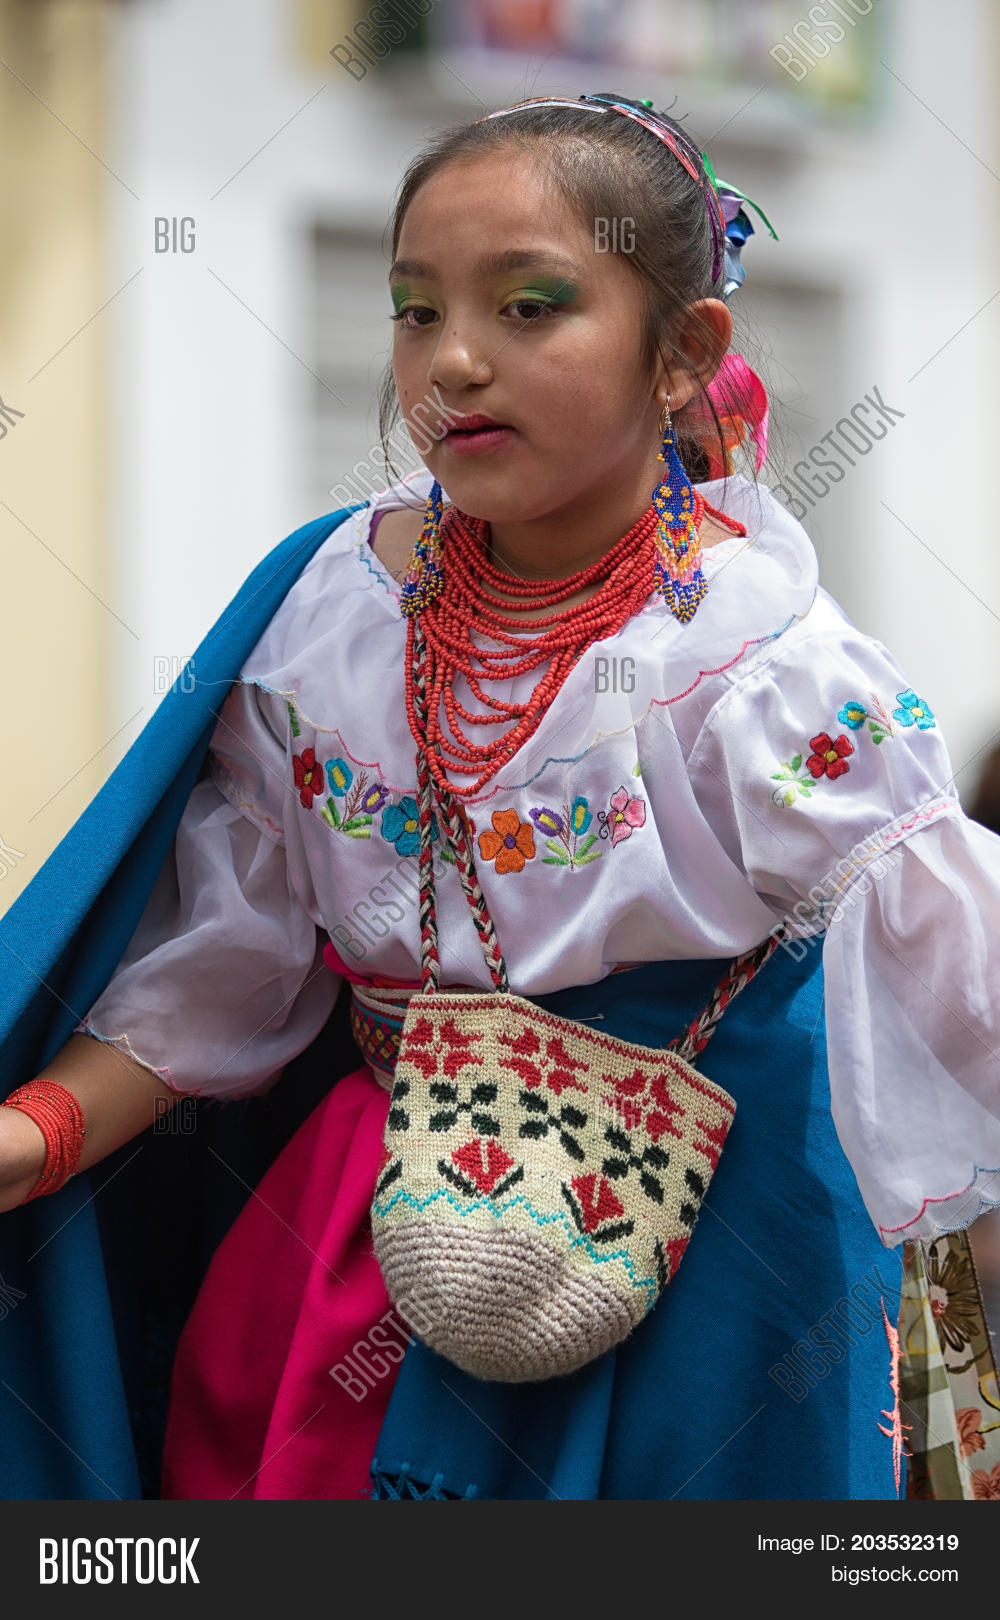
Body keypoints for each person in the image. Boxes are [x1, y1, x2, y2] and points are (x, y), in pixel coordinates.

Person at [2, 92, 999, 1503]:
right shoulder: (331, 616)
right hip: (367, 1243)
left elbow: (961, 987)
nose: (453, 362)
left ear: (682, 355)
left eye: (532, 307)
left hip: (710, 1254)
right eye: (414, 311)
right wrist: (32, 1134)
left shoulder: (768, 665)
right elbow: (234, 959)